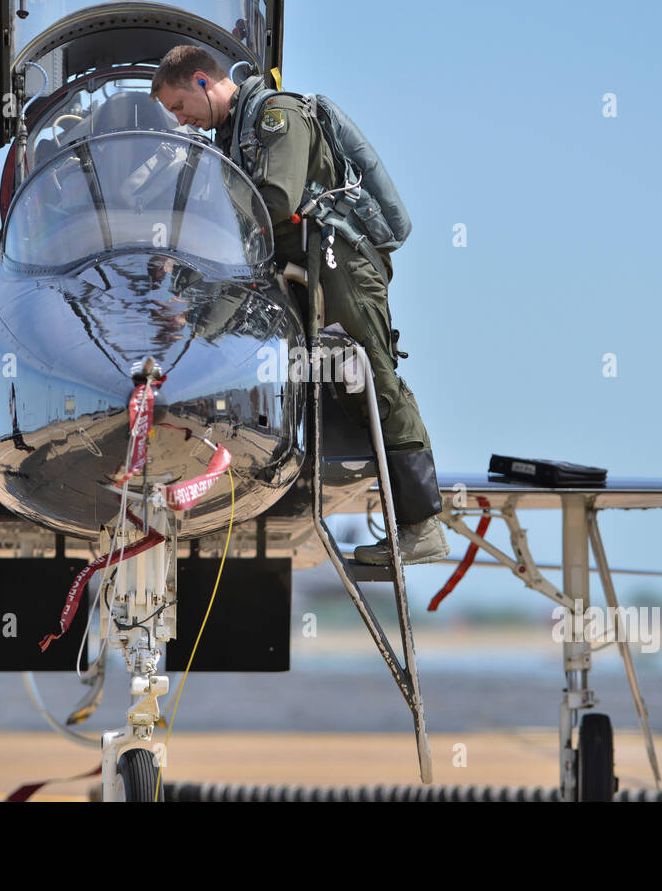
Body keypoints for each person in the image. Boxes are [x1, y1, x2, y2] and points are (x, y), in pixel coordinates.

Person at [151, 45, 447, 565]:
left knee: (375, 381)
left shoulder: (274, 116)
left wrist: (211, 244)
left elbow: (276, 204)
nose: (181, 120)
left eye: (179, 106)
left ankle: (422, 527)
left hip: (340, 267)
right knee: (350, 386)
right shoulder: (233, 136)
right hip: (303, 276)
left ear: (202, 81)